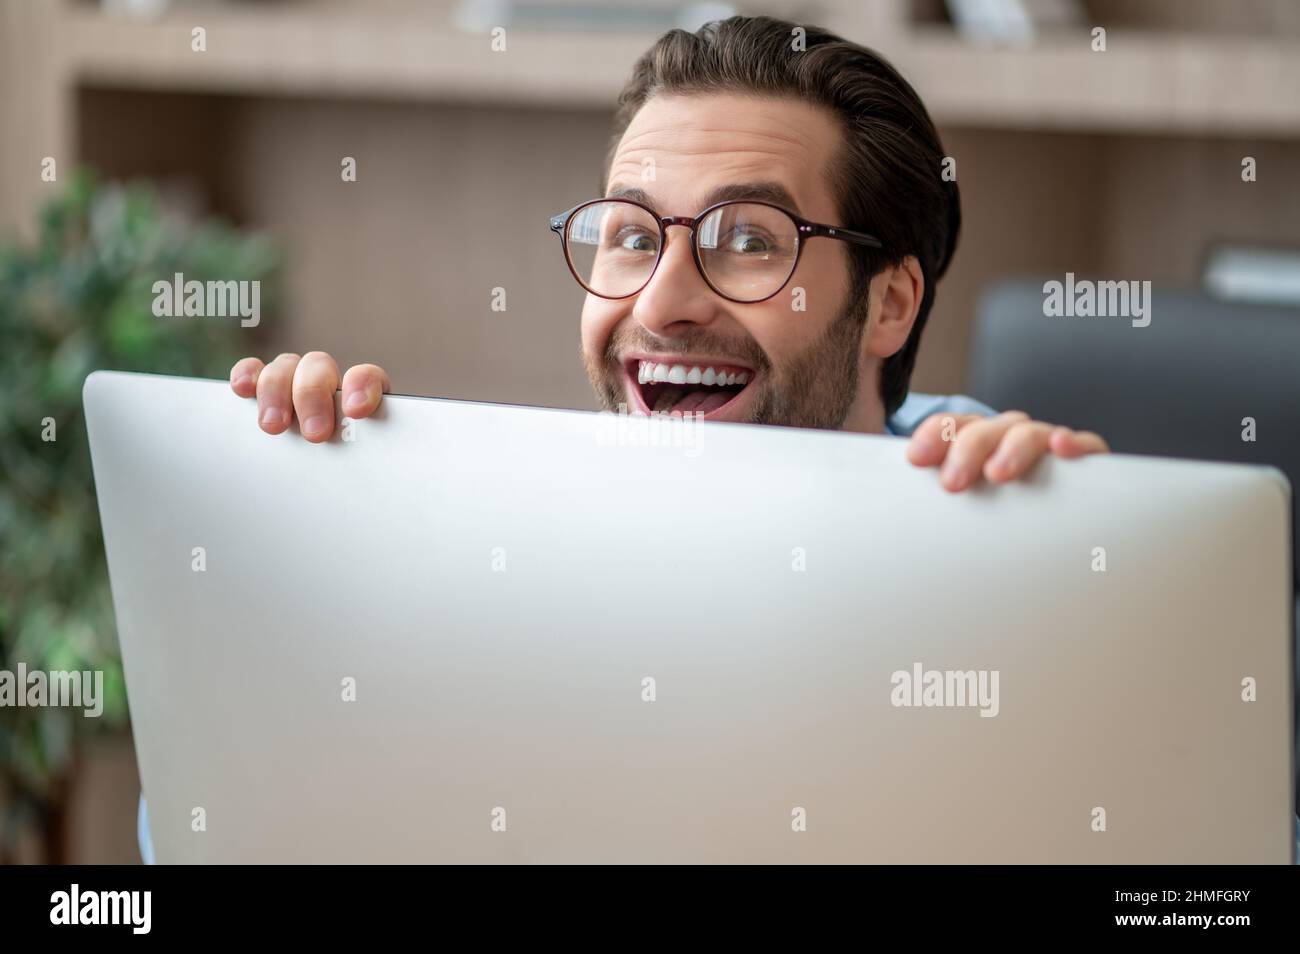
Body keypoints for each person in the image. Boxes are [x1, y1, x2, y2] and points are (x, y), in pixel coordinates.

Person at [140, 15, 1109, 861]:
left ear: (889, 303)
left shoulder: (998, 523)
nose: (663, 303)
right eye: (635, 237)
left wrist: (1081, 605)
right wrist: (288, 584)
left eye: (748, 238)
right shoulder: (486, 551)